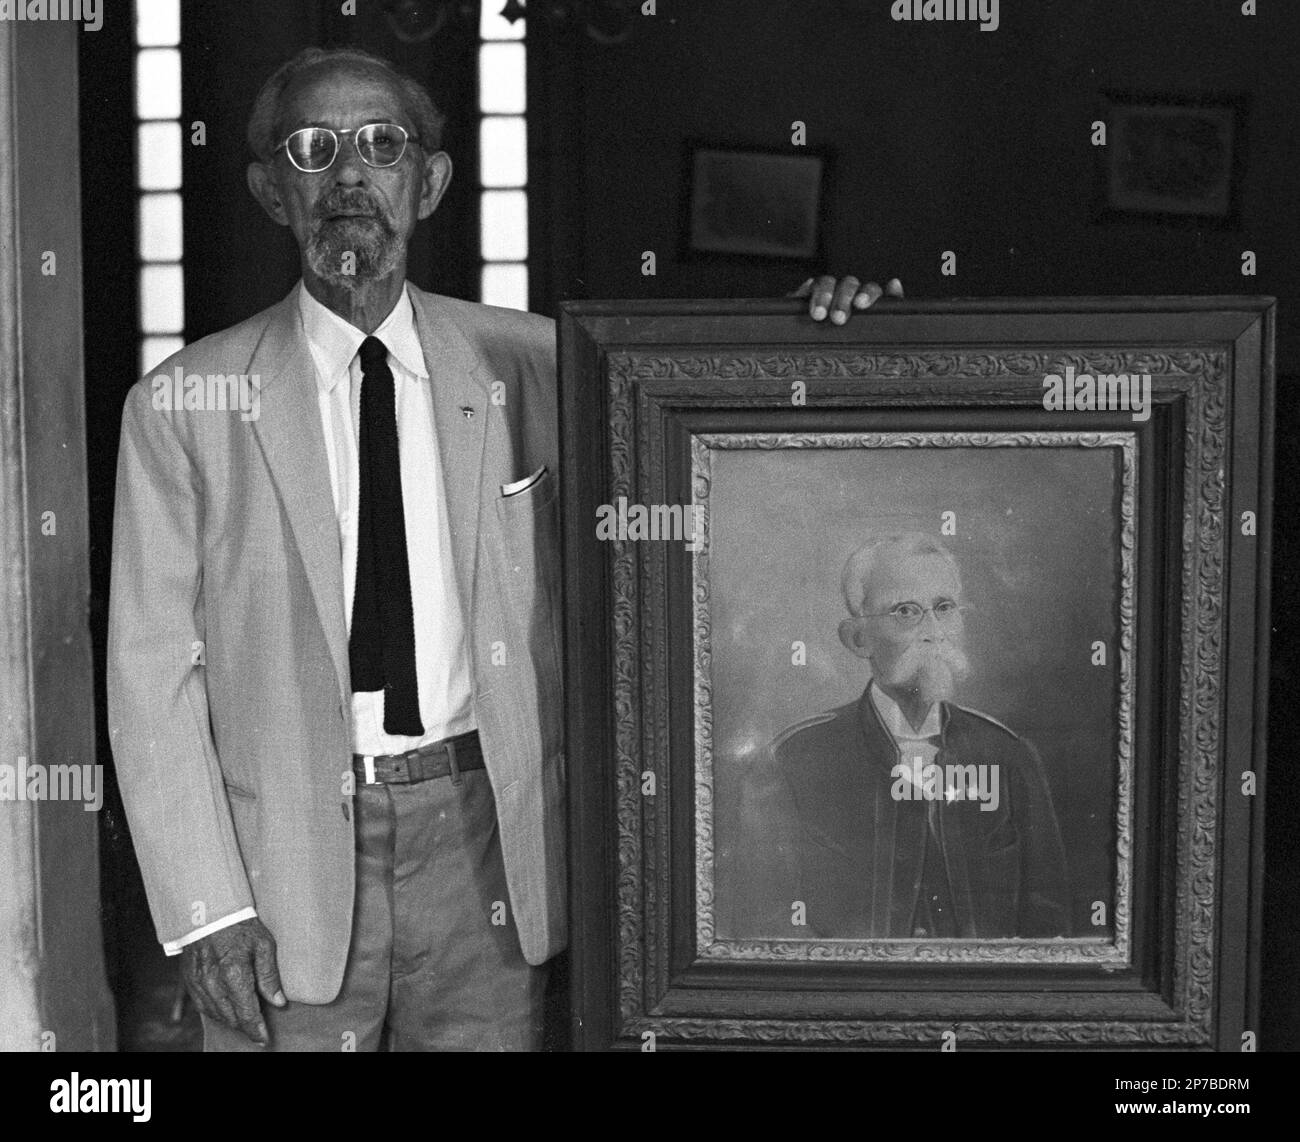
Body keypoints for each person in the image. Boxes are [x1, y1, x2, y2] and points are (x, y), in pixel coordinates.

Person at [107, 45, 899, 1051]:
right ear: (272, 190)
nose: (350, 173)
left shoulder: (540, 364)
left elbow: (706, 436)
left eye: (382, 145)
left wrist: (829, 340)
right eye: (314, 148)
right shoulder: (182, 407)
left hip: (485, 840)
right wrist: (208, 907)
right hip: (282, 856)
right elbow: (149, 680)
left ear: (427, 181)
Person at [742, 532, 1071, 940]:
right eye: (905, 611)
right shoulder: (794, 762)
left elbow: (1047, 926)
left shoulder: (1008, 756)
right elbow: (767, 925)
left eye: (945, 608)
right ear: (857, 639)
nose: (934, 631)